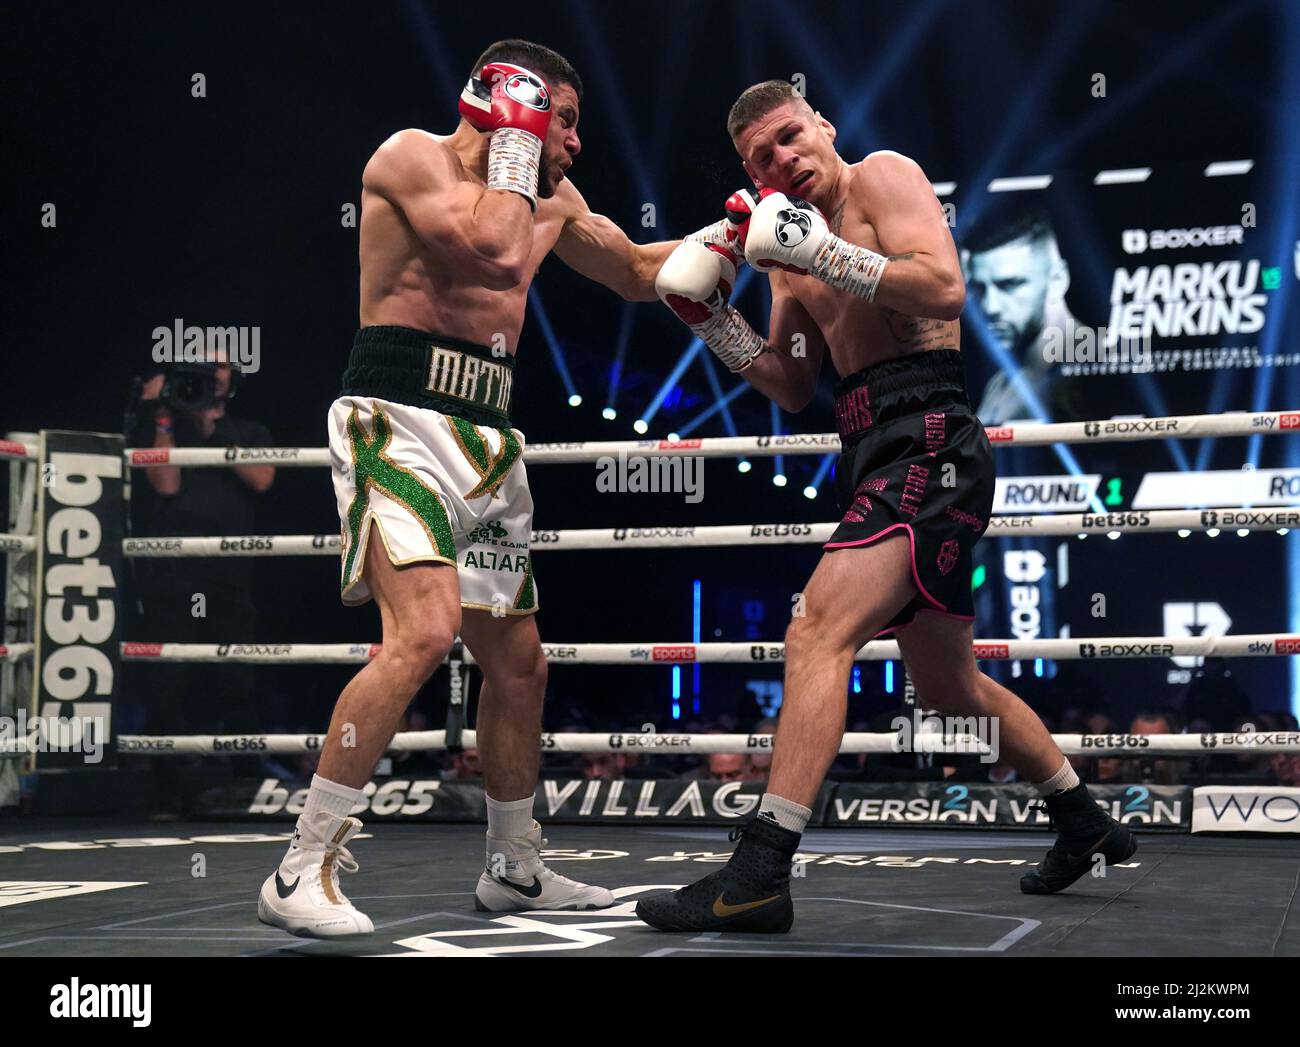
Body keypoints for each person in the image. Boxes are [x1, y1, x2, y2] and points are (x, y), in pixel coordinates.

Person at [637, 80, 1136, 934]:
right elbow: (793, 384)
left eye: (791, 138)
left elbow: (942, 289)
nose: (783, 161)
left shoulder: (883, 179)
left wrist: (828, 252)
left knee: (816, 628)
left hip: (930, 434)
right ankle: (1081, 818)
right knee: (947, 684)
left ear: (823, 126)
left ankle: (760, 868)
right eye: (762, 158)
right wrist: (711, 323)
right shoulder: (781, 253)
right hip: (865, 445)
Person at [258, 39, 680, 937]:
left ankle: (513, 868)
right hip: (398, 417)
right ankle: (301, 865)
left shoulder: (552, 198)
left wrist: (746, 234)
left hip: (489, 437)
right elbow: (490, 249)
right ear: (513, 97)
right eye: (563, 118)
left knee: (520, 665)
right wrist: (521, 137)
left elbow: (643, 274)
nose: (573, 144)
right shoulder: (410, 156)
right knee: (424, 632)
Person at [961, 208, 1080, 424]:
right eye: (978, 289)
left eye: (1010, 285)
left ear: (1057, 281)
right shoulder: (1000, 382)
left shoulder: (1096, 368)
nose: (990, 307)